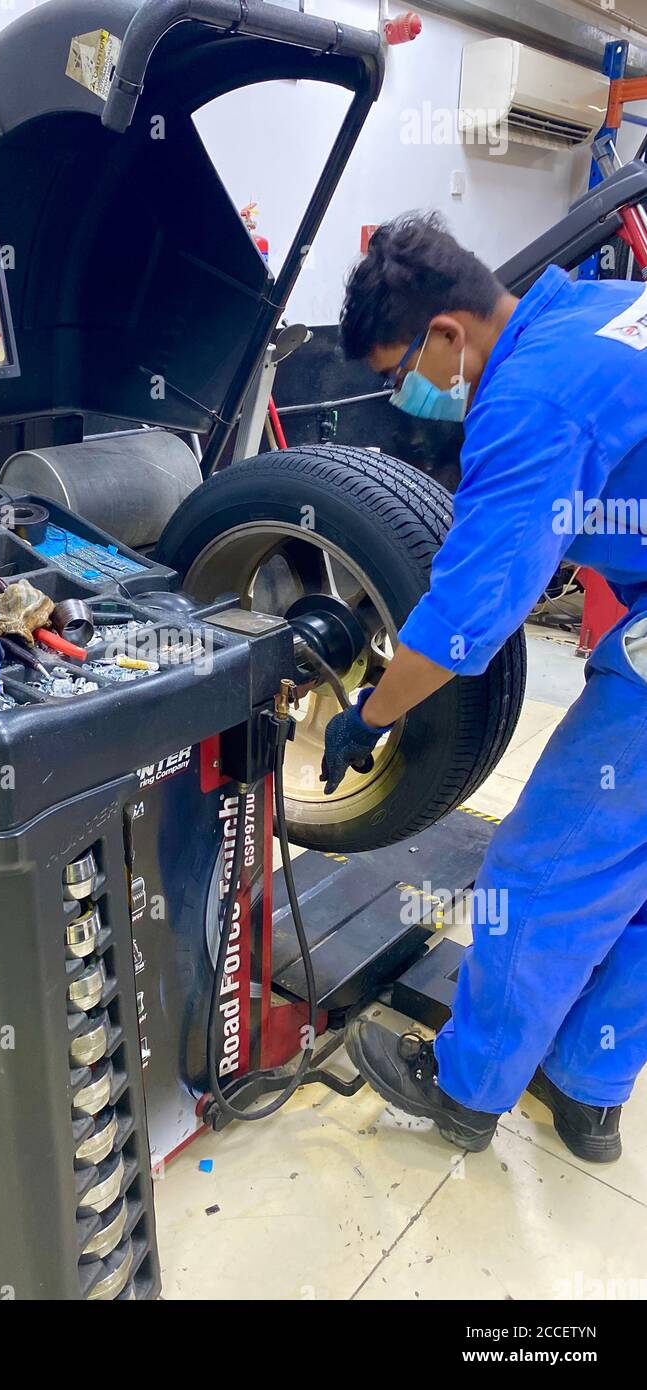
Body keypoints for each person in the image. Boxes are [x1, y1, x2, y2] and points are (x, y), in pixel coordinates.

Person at [325, 212, 647, 1162]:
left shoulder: (531, 402)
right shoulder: (601, 307)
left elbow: (464, 623)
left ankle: (462, 1091)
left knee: (548, 866)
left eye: (399, 375)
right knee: (631, 877)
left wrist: (369, 714)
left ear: (443, 333)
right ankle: (586, 1088)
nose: (406, 395)